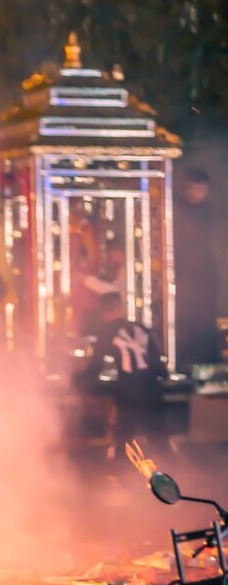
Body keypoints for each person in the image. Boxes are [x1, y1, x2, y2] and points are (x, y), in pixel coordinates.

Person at [74, 292, 167, 459]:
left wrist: (79, 382)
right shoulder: (142, 329)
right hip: (153, 393)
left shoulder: (107, 332)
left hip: (129, 396)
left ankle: (121, 478)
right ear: (120, 307)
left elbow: (95, 367)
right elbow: (160, 365)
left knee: (124, 441)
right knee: (158, 441)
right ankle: (171, 476)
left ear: (102, 311)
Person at [173, 167, 222, 370]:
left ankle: (208, 358)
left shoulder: (209, 212)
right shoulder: (174, 208)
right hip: (182, 271)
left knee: (205, 318)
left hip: (204, 272)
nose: (195, 194)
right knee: (184, 318)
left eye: (200, 190)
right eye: (192, 189)